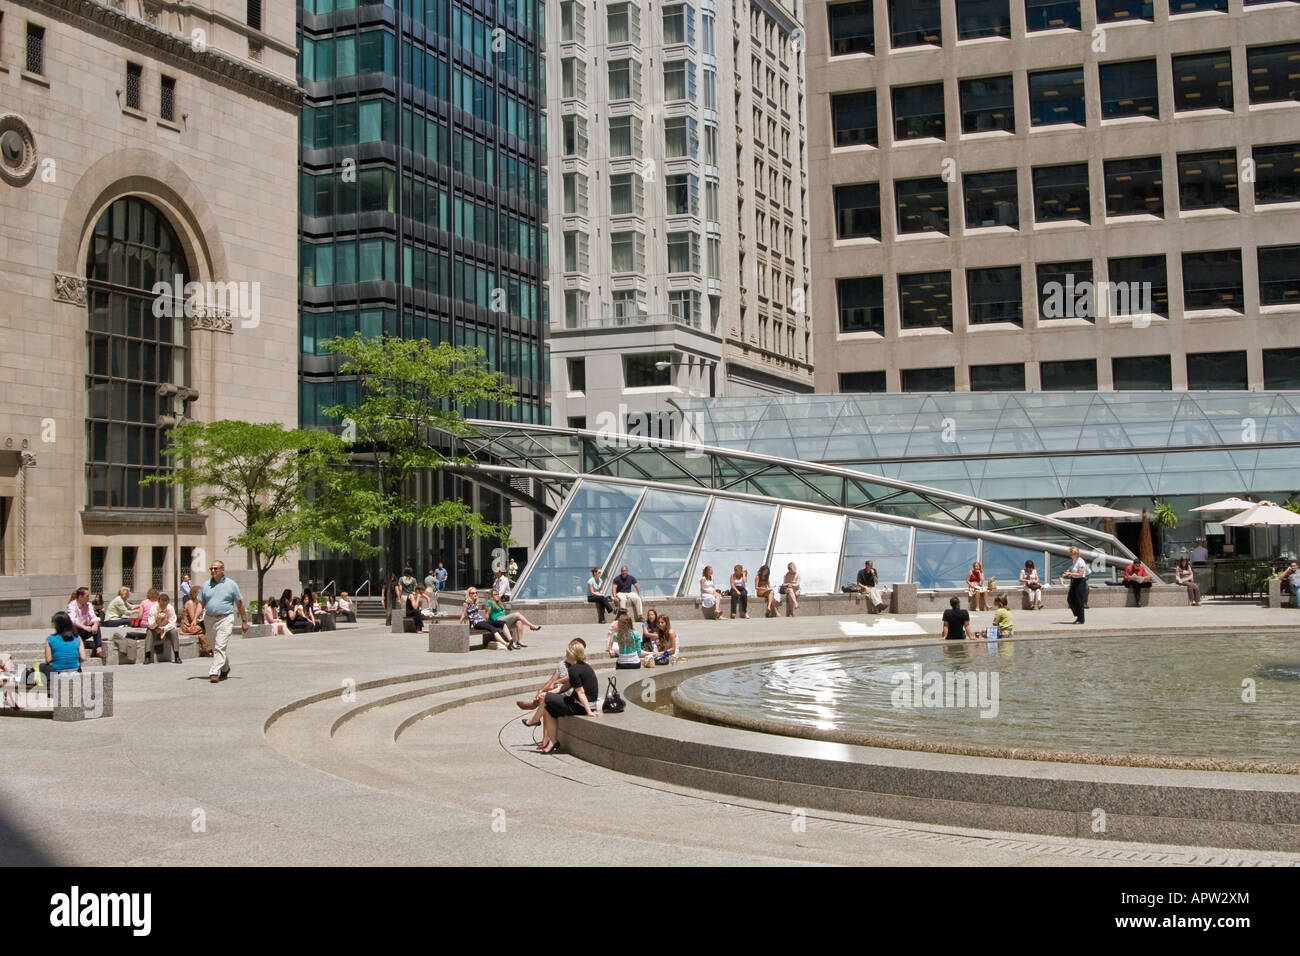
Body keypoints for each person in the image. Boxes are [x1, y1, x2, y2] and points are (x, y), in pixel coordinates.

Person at [537, 641, 599, 754]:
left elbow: (581, 693)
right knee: (549, 709)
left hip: (579, 706)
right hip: (584, 704)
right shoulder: (584, 666)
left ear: (572, 654)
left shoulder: (574, 669)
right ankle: (554, 742)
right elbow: (565, 687)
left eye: (567, 652)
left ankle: (534, 720)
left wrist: (589, 711)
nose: (565, 654)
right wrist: (549, 693)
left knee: (547, 699)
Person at [197, 559, 250, 683]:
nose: (213, 571)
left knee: (220, 646)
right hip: (209, 619)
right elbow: (201, 603)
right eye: (211, 569)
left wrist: (244, 621)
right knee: (215, 646)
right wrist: (195, 618)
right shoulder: (206, 585)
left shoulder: (231, 584)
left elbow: (239, 603)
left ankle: (214, 672)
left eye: (215, 568)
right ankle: (225, 668)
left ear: (222, 569)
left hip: (225, 618)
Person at [518, 638, 587, 726]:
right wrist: (542, 690)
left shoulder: (583, 665)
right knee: (545, 695)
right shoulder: (562, 663)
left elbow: (570, 681)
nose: (567, 652)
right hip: (561, 688)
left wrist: (554, 685)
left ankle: (534, 709)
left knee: (547, 702)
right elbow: (552, 679)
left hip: (571, 693)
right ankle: (543, 736)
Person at [65, 587, 105, 660]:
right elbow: (72, 620)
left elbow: (93, 616)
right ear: (80, 597)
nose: (89, 598)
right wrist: (84, 627)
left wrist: (95, 624)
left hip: (84, 630)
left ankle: (98, 649)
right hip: (74, 632)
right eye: (87, 596)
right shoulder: (72, 605)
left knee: (96, 626)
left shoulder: (88, 605)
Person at [45, 611, 86, 678]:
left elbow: (48, 660)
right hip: (74, 669)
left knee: (41, 666)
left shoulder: (50, 639)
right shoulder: (77, 638)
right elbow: (83, 658)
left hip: (57, 671)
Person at [147, 592, 182, 664]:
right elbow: (150, 624)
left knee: (174, 631)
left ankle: (176, 655)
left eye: (165, 605)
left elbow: (173, 623)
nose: (163, 606)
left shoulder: (170, 608)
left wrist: (163, 628)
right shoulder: (154, 608)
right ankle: (147, 656)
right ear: (158, 602)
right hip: (155, 628)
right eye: (162, 604)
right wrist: (156, 622)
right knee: (149, 632)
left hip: (166, 629)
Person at [1063, 546, 1089, 624]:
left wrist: (1070, 573)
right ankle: (1078, 615)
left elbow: (1081, 574)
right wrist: (1068, 571)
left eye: (1072, 554)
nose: (1071, 556)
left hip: (1080, 581)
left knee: (1079, 600)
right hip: (1074, 581)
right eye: (1071, 554)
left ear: (1076, 554)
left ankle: (1081, 619)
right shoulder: (1074, 560)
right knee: (1070, 599)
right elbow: (1073, 569)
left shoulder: (1081, 561)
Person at [180, 591, 211, 655]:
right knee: (206, 629)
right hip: (188, 626)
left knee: (203, 634)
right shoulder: (190, 603)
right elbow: (192, 618)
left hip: (194, 625)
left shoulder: (197, 603)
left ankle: (208, 649)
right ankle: (209, 649)